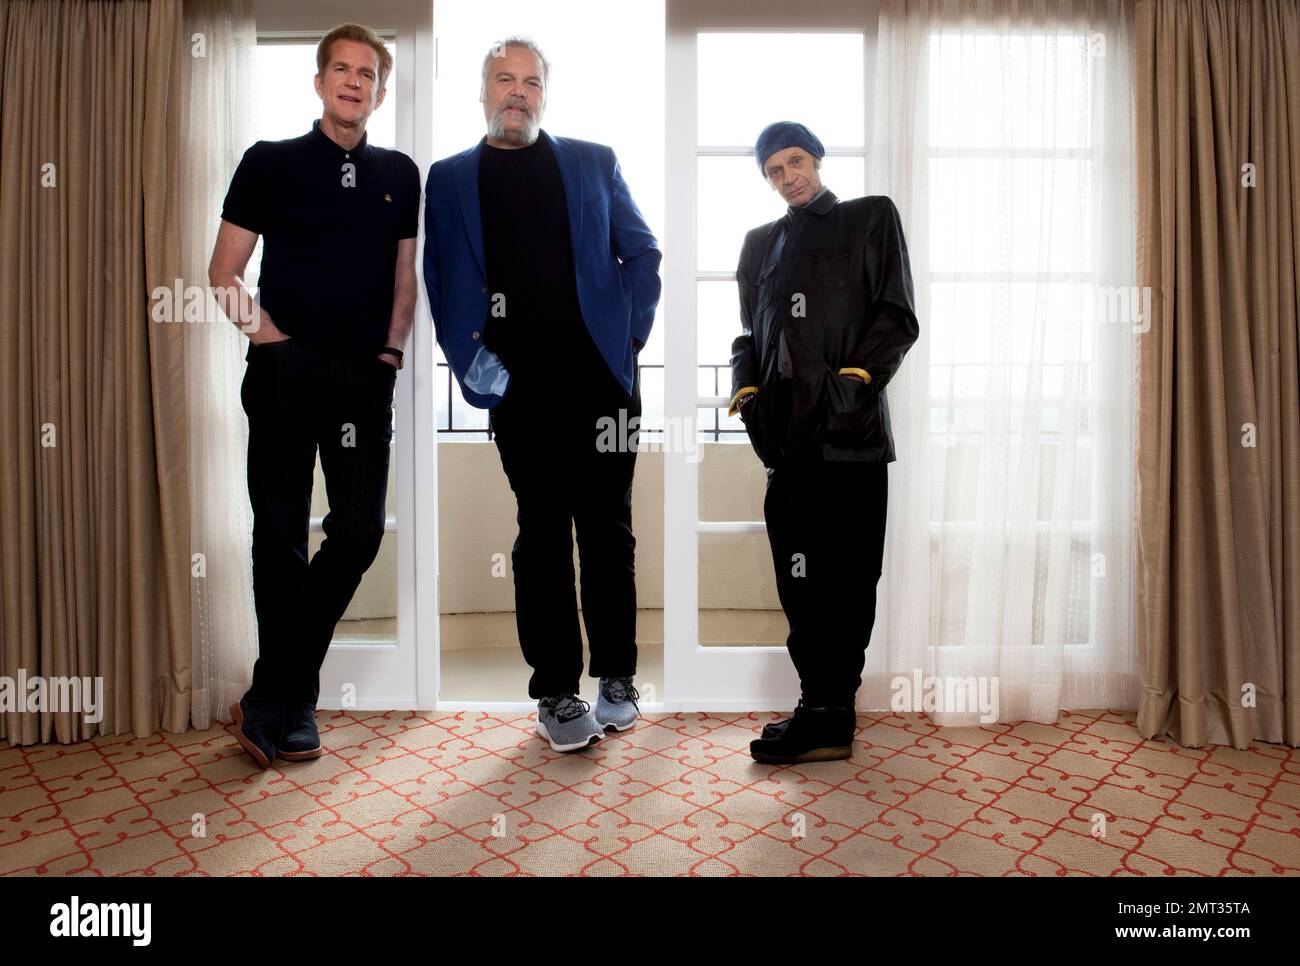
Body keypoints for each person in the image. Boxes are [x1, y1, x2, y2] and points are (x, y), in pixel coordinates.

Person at [422, 37, 661, 752]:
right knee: (543, 532)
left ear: (544, 93)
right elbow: (444, 279)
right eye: (504, 79)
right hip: (520, 390)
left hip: (603, 384)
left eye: (530, 81)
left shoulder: (594, 160)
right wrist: (479, 368)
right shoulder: (452, 177)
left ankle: (617, 676)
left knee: (609, 529)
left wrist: (628, 341)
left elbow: (642, 252)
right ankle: (556, 690)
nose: (517, 92)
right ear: (484, 91)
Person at [209, 22, 420, 768]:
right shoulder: (268, 163)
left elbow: (405, 275)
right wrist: (274, 344)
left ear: (380, 91)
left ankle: (273, 687)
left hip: (365, 380)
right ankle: (294, 706)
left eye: (368, 73)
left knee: (358, 531)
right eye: (342, 69)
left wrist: (391, 352)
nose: (354, 82)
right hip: (282, 377)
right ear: (320, 80)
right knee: (280, 538)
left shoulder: (401, 172)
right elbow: (223, 274)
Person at [730, 121, 919, 764]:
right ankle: (819, 707)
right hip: (786, 445)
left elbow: (895, 314)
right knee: (799, 581)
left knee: (848, 578)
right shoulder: (759, 245)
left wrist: (853, 384)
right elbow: (747, 339)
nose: (789, 177)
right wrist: (747, 394)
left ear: (816, 158)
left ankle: (832, 712)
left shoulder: (868, 220)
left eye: (796, 162)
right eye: (775, 171)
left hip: (850, 440)